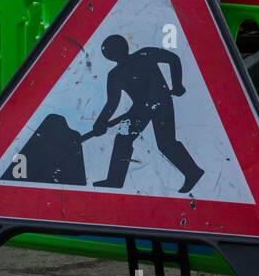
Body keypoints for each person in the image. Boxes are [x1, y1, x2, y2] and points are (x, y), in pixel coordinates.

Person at [85, 34, 204, 193]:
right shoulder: (115, 74)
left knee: (166, 143)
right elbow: (112, 103)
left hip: (161, 103)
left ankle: (193, 172)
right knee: (123, 139)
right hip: (139, 109)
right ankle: (114, 180)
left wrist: (177, 84)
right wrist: (100, 123)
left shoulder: (145, 54)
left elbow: (173, 59)